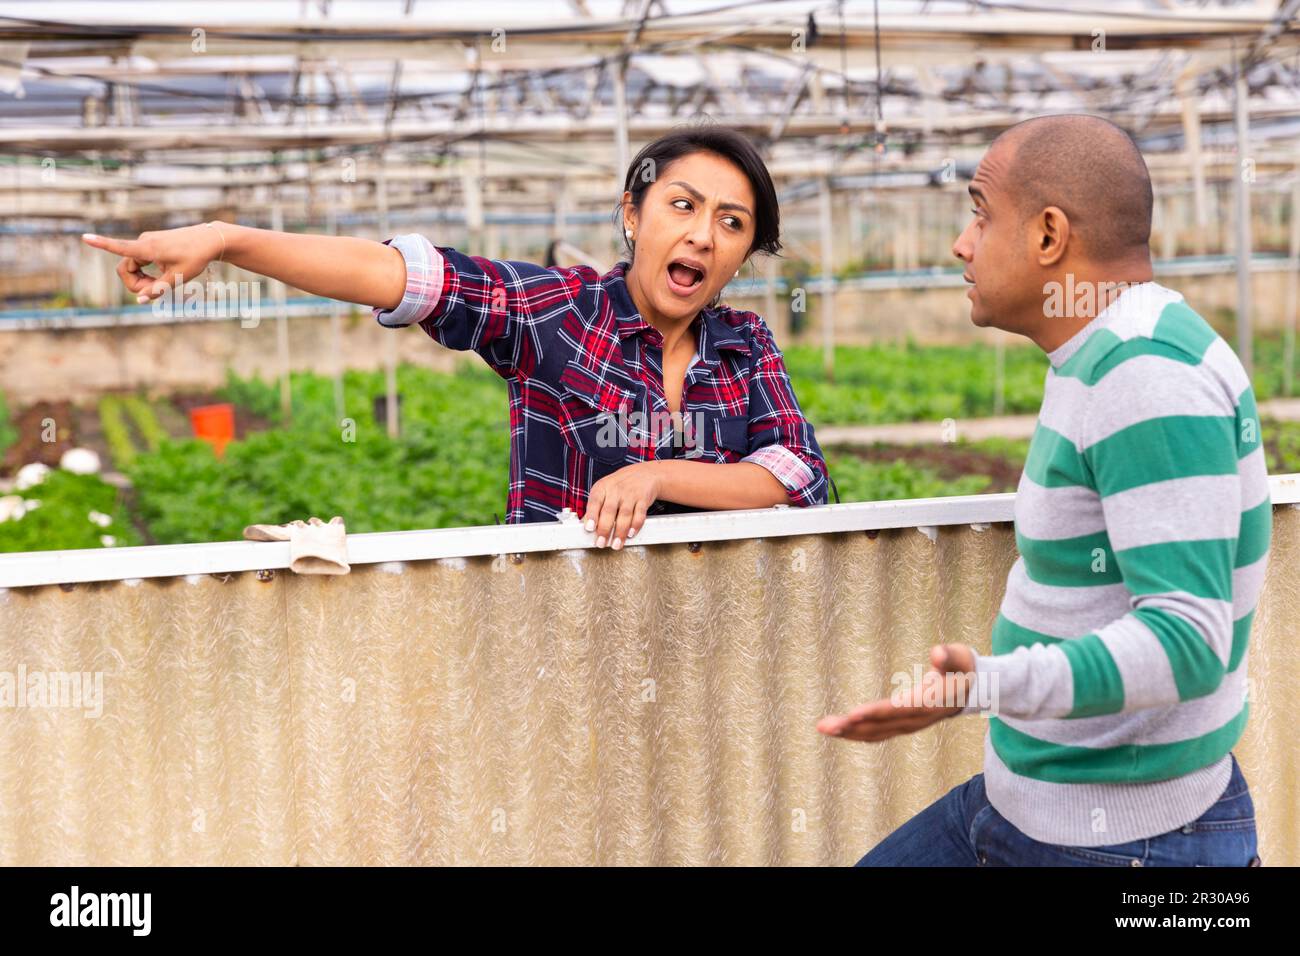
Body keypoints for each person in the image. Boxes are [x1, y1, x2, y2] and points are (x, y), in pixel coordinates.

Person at [818, 114, 1269, 867]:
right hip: (1032, 806)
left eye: (980, 213)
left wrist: (983, 686)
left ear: (1049, 236)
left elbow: (1188, 642)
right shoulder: (1101, 352)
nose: (963, 243)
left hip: (1126, 840)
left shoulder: (1144, 375)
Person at [82, 126, 830, 546]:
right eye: (682, 205)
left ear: (746, 250)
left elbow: (798, 474)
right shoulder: (557, 314)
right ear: (633, 215)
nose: (702, 236)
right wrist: (224, 240)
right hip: (563, 643)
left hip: (716, 651)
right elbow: (400, 277)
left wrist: (656, 476)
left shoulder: (745, 343)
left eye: (732, 223)